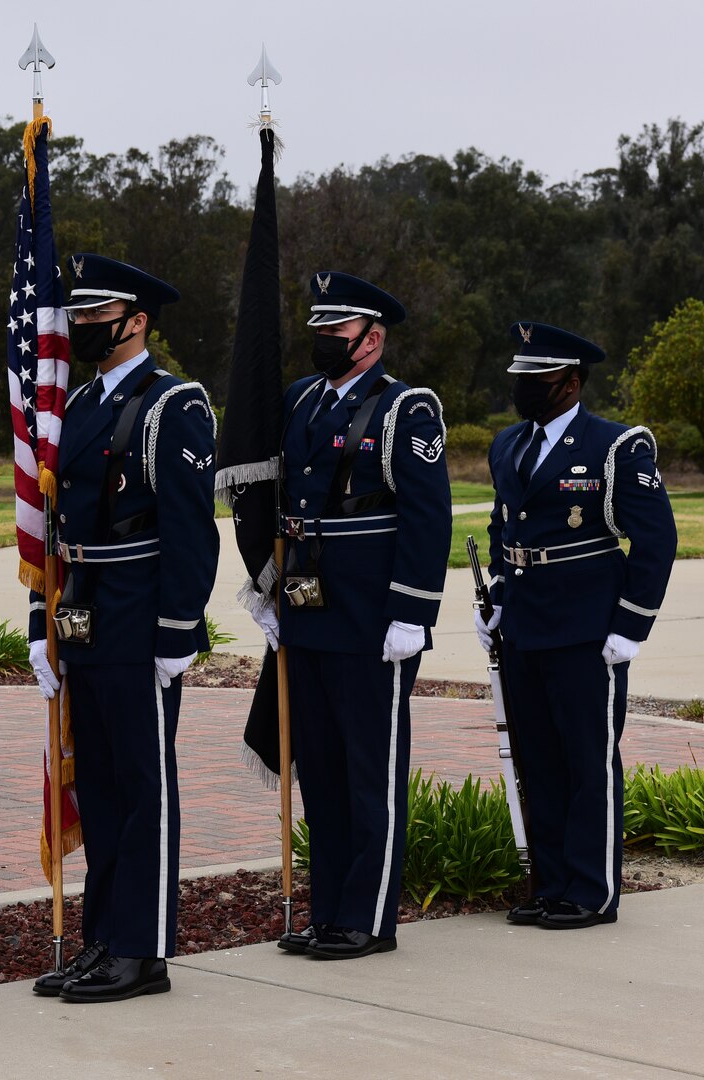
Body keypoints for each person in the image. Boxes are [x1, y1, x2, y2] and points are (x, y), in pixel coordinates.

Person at [27, 254, 219, 1003]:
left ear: (137, 321)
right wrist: (40, 626)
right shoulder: (77, 405)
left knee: (143, 785)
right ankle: (103, 938)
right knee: (100, 785)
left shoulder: (176, 405)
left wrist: (177, 629)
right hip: (83, 612)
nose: (83, 326)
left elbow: (191, 530)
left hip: (141, 615)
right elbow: (55, 522)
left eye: (98, 315)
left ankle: (143, 949)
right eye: (79, 315)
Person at [249, 272, 452, 960]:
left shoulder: (406, 410)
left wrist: (412, 612)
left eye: (338, 332)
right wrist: (271, 593)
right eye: (320, 330)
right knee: (325, 772)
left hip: (372, 618)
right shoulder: (301, 400)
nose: (324, 341)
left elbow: (428, 518)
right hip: (308, 610)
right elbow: (283, 501)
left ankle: (367, 918)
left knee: (370, 772)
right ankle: (328, 910)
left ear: (373, 337)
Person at [475, 321, 676, 929]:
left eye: (535, 378)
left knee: (588, 760)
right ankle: (553, 884)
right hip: (527, 625)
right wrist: (500, 600)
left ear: (570, 381)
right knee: (539, 759)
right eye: (519, 377)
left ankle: (591, 891)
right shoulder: (509, 444)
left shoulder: (615, 447)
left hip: (589, 627)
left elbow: (656, 539)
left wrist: (632, 624)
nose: (523, 387)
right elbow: (503, 527)